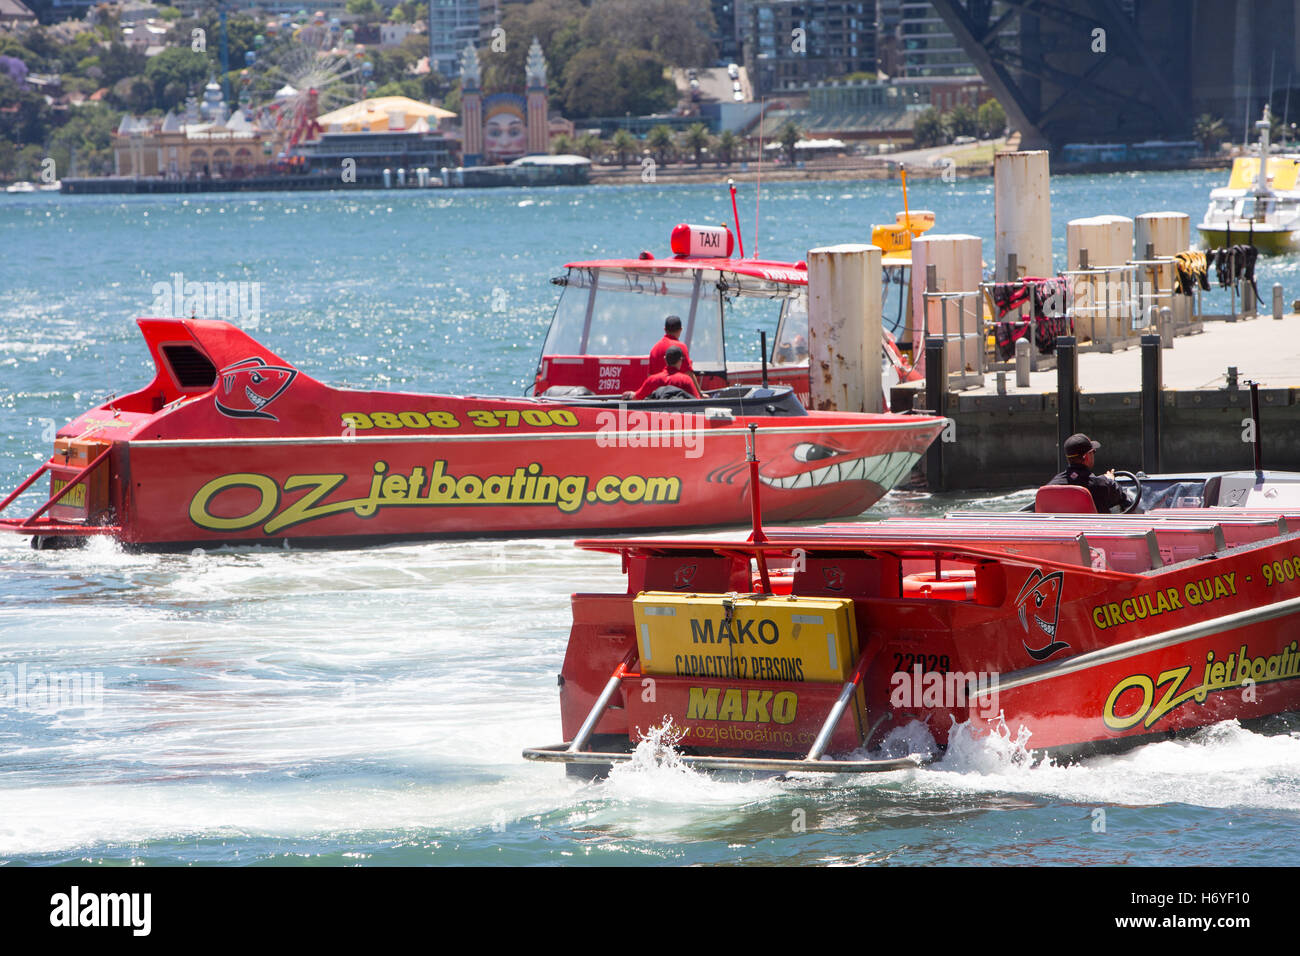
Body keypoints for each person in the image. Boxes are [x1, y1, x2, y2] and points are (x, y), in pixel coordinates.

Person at [1048, 433, 1133, 512]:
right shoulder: (1102, 485)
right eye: (1093, 452)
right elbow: (1126, 501)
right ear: (1087, 456)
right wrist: (1111, 481)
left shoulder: (1051, 487)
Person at [623, 346, 703, 400]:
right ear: (680, 360)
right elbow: (697, 401)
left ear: (665, 359)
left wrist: (630, 394)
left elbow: (637, 397)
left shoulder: (652, 380)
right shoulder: (686, 380)